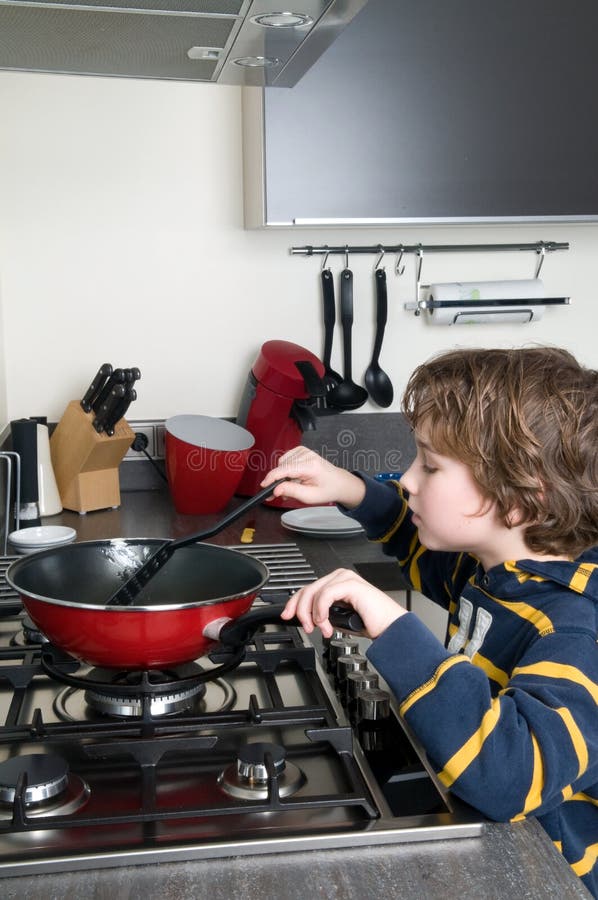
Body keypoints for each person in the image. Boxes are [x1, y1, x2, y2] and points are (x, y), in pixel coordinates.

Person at [262, 346, 598, 897]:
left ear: (518, 500)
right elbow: (417, 540)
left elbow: (509, 776)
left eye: (431, 466)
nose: (409, 480)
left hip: (549, 871)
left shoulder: (575, 631)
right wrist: (348, 489)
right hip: (490, 835)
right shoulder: (498, 570)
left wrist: (399, 632)